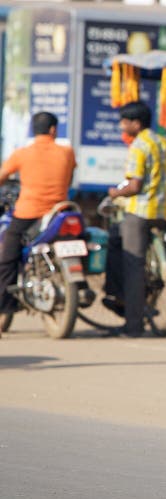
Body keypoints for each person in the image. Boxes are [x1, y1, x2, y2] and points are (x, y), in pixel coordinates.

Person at [102, 101, 166, 337]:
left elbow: (134, 186)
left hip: (139, 213)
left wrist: (115, 193)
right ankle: (123, 299)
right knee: (116, 239)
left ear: (136, 123)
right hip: (161, 213)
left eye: (124, 122)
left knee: (132, 264)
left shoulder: (138, 146)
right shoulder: (165, 143)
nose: (122, 126)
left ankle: (132, 324)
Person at [0, 112, 76, 338]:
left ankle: (4, 309)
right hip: (60, 211)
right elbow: (69, 177)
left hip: (28, 213)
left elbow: (2, 176)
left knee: (7, 258)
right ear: (53, 130)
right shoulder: (67, 152)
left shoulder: (22, 154)